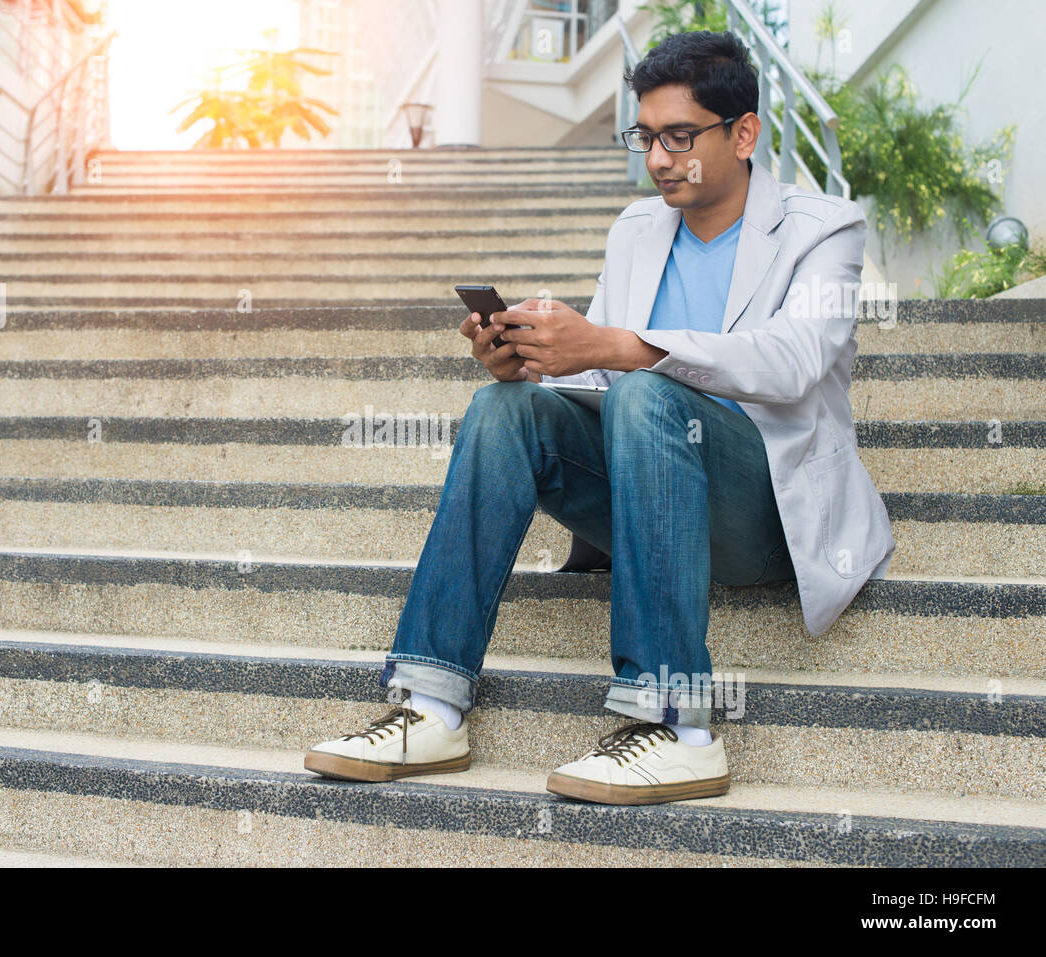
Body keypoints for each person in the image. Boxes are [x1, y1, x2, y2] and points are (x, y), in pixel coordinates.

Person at [304, 30, 895, 805]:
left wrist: (616, 346)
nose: (656, 158)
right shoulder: (637, 229)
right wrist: (532, 358)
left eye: (679, 137)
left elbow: (790, 362)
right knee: (503, 410)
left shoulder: (825, 228)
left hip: (762, 512)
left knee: (649, 391)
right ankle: (432, 703)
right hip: (648, 495)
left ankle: (677, 726)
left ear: (743, 132)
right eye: (644, 136)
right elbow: (600, 372)